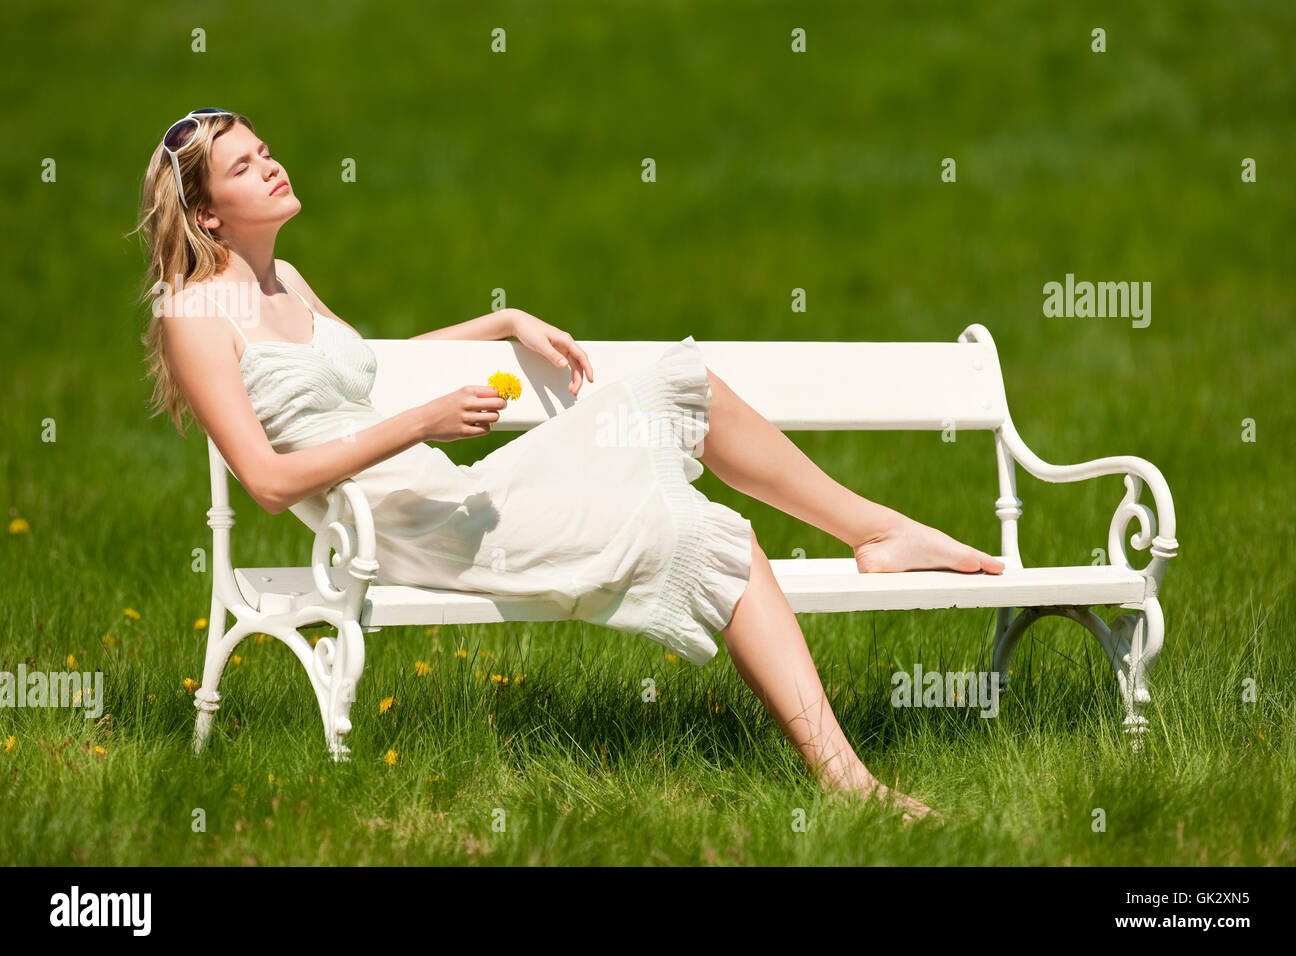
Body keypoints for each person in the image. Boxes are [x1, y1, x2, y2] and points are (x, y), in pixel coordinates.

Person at [131, 109, 1005, 826]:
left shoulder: (286, 277)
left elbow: (378, 372)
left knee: (685, 382)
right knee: (706, 531)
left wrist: (501, 325)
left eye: (268, 151)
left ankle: (876, 532)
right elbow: (269, 482)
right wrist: (423, 424)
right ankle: (848, 781)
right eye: (245, 168)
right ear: (207, 213)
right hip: (402, 530)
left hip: (451, 494)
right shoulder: (196, 313)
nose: (273, 167)